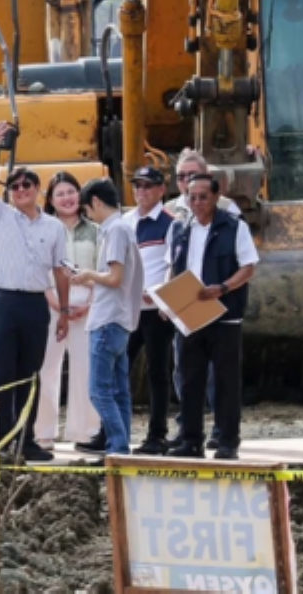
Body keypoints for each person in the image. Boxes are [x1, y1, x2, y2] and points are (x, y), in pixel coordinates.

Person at [0, 121, 71, 463]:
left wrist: (62, 310)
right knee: (0, 375)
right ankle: (0, 442)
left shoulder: (54, 227)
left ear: (37, 189)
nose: (21, 189)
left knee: (30, 374)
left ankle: (26, 439)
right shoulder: (2, 216)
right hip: (4, 302)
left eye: (27, 184)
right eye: (15, 186)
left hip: (35, 304)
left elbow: (61, 270)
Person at [165, 174, 259, 460]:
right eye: (192, 197)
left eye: (203, 197)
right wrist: (167, 299)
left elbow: (249, 266)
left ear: (216, 198)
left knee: (225, 381)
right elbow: (173, 268)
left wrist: (223, 288)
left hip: (224, 317)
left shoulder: (234, 228)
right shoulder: (179, 229)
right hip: (190, 316)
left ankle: (228, 440)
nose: (197, 203)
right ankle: (191, 440)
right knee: (190, 379)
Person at [70, 178, 143, 457]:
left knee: (99, 391)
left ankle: (118, 447)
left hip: (107, 319)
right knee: (119, 391)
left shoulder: (115, 230)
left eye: (87, 210)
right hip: (120, 319)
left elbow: (114, 278)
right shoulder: (124, 228)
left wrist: (89, 274)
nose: (88, 216)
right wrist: (86, 278)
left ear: (96, 202)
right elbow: (115, 281)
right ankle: (120, 447)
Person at [33, 172, 100, 451]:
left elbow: (104, 270)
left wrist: (91, 303)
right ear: (50, 200)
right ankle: (43, 433)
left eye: (71, 191)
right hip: (50, 303)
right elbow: (38, 270)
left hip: (87, 306)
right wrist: (55, 303)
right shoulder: (44, 230)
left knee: (86, 369)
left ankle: (85, 432)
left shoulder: (97, 231)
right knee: (47, 368)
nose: (67, 198)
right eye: (60, 194)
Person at [123, 166, 178, 456]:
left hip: (157, 310)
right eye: (137, 185)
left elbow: (172, 265)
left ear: (160, 190)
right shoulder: (125, 222)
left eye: (148, 186)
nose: (141, 190)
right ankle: (115, 431)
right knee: (119, 368)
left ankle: (157, 435)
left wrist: (162, 298)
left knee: (158, 372)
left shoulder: (171, 223)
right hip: (129, 308)